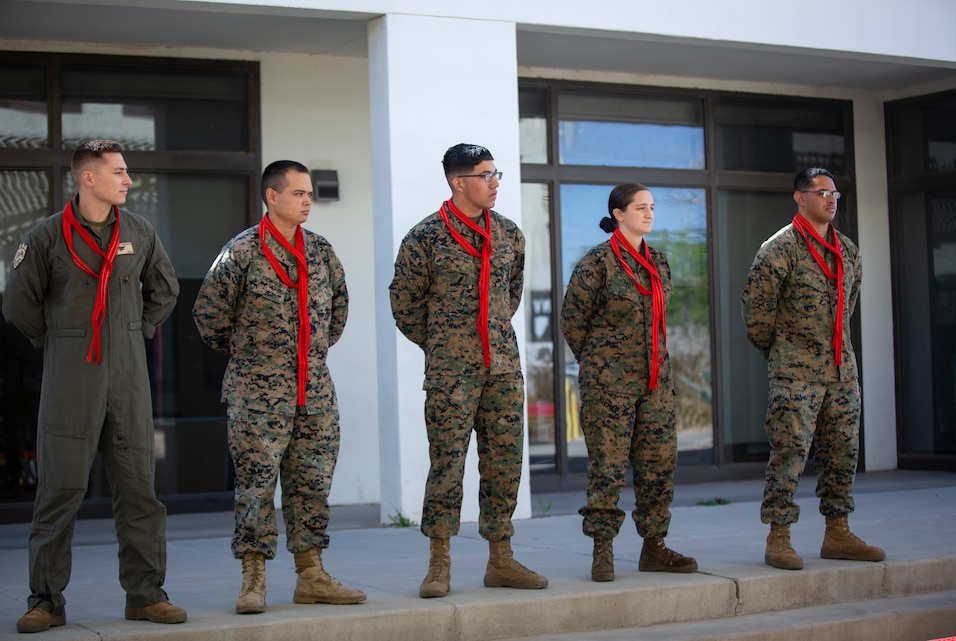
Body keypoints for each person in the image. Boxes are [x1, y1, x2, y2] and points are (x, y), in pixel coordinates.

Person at [3, 139, 185, 633]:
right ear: (88, 178)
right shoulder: (46, 236)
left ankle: (146, 596)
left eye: (127, 172)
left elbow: (165, 289)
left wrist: (134, 329)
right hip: (70, 375)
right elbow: (18, 304)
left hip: (127, 375)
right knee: (59, 490)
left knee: (139, 490)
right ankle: (46, 600)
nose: (128, 180)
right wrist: (60, 338)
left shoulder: (140, 231)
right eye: (119, 172)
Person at [193, 160, 365, 614]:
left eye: (310, 194)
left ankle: (312, 574)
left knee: (312, 483)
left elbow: (339, 310)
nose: (308, 201)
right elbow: (209, 316)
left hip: (315, 393)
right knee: (256, 486)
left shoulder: (322, 252)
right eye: (298, 193)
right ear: (272, 197)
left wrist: (307, 357)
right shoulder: (243, 252)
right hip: (257, 395)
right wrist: (255, 358)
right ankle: (253, 579)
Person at [390, 143, 548, 598]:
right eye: (486, 175)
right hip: (451, 374)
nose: (495, 182)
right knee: (447, 466)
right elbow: (405, 306)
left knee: (503, 464)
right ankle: (439, 563)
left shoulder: (510, 235)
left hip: (502, 368)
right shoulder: (424, 239)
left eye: (496, 174)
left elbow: (509, 296)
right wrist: (445, 344)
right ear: (459, 183)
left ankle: (501, 559)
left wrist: (488, 339)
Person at [742, 167, 885, 570]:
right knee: (789, 454)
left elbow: (848, 305)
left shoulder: (848, 250)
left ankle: (838, 532)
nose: (830, 199)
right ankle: (779, 537)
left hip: (842, 371)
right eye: (821, 192)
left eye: (834, 193)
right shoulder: (779, 249)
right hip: (795, 373)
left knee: (843, 452)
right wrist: (785, 353)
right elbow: (756, 316)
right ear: (799, 198)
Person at [560, 183, 697, 582]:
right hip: (609, 386)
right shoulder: (596, 263)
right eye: (641, 207)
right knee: (608, 468)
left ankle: (654, 546)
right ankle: (602, 549)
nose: (649, 214)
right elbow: (573, 322)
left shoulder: (659, 261)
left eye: (652, 207)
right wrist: (601, 365)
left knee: (658, 465)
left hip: (656, 382)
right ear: (618, 214)